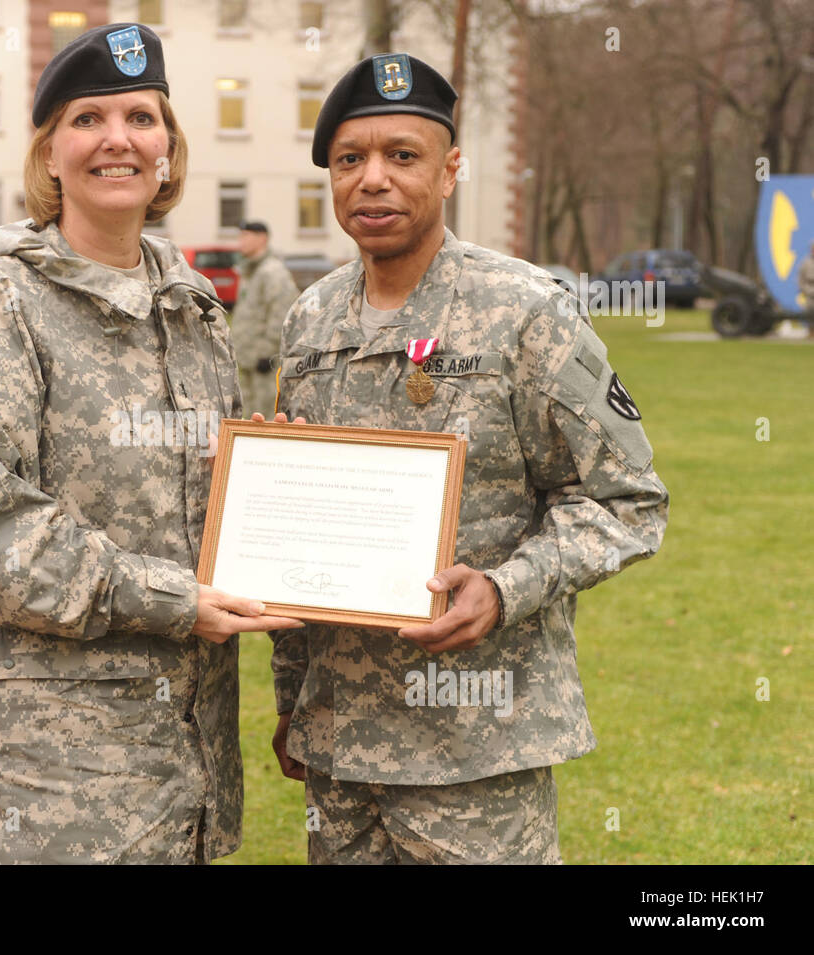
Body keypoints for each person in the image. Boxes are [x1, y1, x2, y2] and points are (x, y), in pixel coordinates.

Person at [0, 23, 302, 864]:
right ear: (50, 155)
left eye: (141, 117)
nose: (117, 139)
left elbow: (194, 501)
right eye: (87, 120)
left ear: (168, 149)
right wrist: (173, 596)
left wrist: (270, 483)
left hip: (176, 765)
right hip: (41, 789)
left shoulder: (192, 308)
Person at [266, 53, 669, 864]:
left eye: (402, 156)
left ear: (451, 170)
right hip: (341, 755)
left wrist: (504, 586)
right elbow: (302, 539)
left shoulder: (525, 312)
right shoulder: (310, 321)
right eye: (351, 160)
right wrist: (294, 701)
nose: (373, 179)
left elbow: (629, 499)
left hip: (477, 748)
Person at [230, 221, 300, 416]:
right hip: (248, 359)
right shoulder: (251, 271)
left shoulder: (272, 272)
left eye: (246, 236)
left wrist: (267, 353)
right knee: (250, 413)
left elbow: (281, 315)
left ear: (262, 239)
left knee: (267, 415)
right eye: (240, 237)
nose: (240, 242)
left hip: (264, 362)